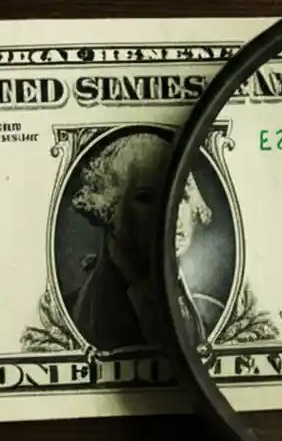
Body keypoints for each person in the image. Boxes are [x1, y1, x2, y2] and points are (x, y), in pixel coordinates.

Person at [64, 132, 225, 350]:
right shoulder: (72, 317)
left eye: (181, 196)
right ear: (108, 208)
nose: (170, 213)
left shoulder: (211, 315)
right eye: (147, 198)